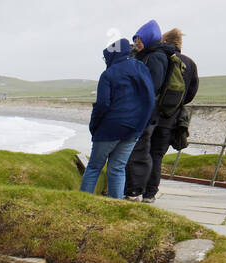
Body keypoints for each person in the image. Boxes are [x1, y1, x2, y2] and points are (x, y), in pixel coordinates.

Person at [124, 21, 198, 202]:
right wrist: (174, 106)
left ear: (164, 40)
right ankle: (150, 194)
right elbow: (190, 93)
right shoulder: (189, 63)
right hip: (170, 118)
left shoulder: (163, 57)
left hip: (152, 113)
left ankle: (134, 190)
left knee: (141, 152)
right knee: (157, 155)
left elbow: (154, 85)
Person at [81, 38, 155, 198]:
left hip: (110, 128)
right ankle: (115, 206)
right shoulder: (141, 68)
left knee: (94, 167)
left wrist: (94, 127)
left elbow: (102, 105)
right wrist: (141, 125)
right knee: (117, 168)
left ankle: (82, 203)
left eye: (106, 57)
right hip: (134, 128)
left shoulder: (109, 74)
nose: (106, 60)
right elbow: (150, 99)